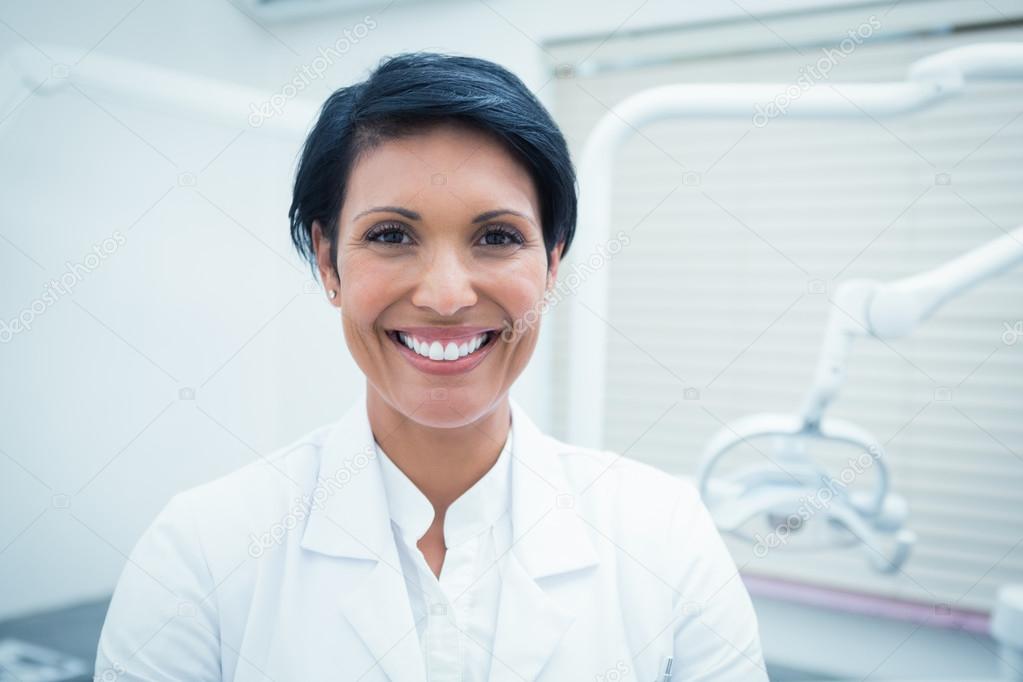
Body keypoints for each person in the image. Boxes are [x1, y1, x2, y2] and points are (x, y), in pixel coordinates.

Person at [94, 51, 768, 681]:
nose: (445, 295)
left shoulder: (663, 536)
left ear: (553, 263)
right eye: (391, 236)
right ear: (328, 263)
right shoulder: (199, 551)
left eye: (497, 237)